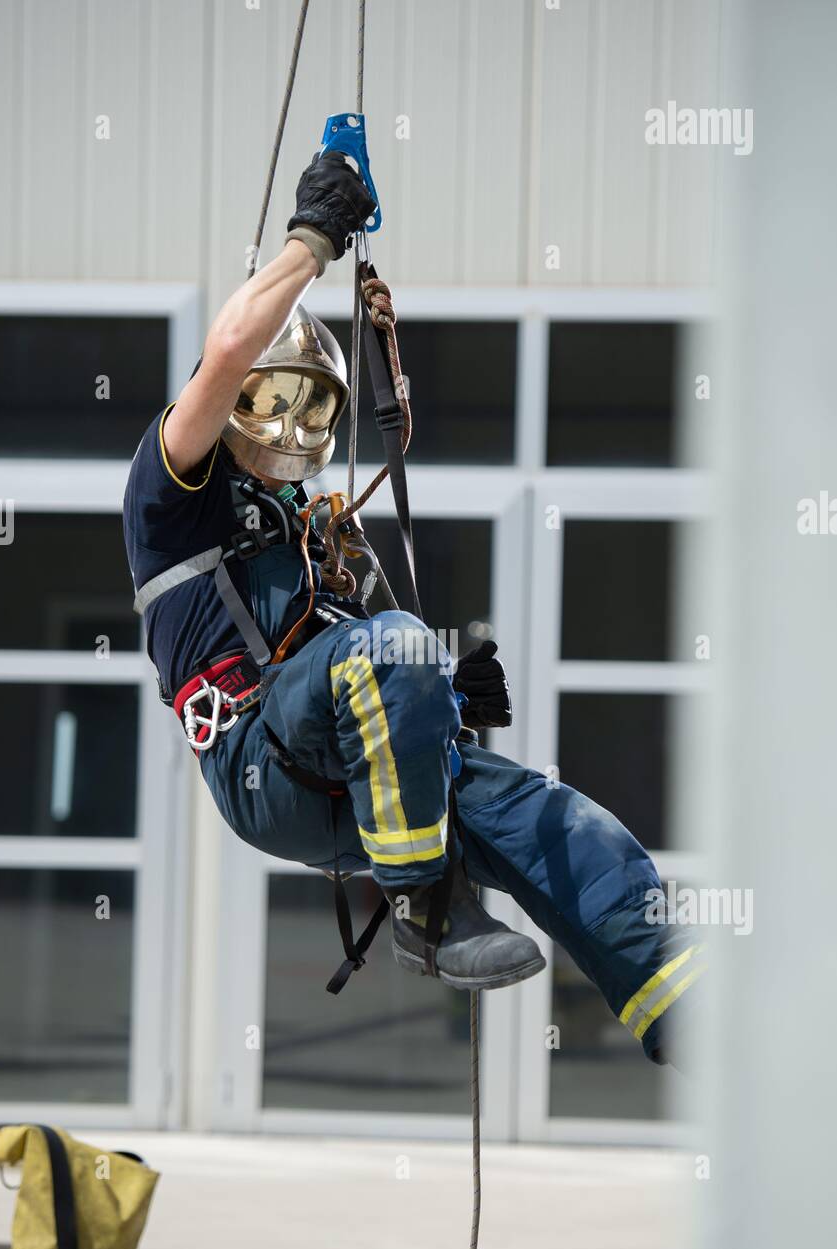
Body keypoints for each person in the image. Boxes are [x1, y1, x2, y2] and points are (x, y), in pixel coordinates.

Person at [123, 152, 702, 1062]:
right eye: (270, 395)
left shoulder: (308, 529)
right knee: (394, 648)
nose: (288, 422)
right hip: (260, 763)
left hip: (338, 758)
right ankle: (425, 909)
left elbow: (370, 654)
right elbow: (230, 348)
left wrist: (446, 688)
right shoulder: (170, 498)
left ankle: (694, 1015)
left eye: (308, 402)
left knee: (565, 827)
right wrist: (313, 239)